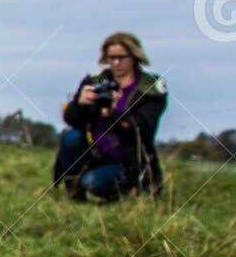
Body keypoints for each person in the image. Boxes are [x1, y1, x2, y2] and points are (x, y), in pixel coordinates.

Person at [53, 32, 167, 201]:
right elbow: (71, 119)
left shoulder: (150, 88)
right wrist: (79, 103)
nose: (115, 63)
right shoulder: (96, 81)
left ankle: (131, 191)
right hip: (96, 153)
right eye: (111, 57)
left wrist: (113, 113)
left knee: (93, 182)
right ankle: (74, 193)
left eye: (121, 57)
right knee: (71, 137)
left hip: (128, 161)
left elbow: (143, 128)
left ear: (135, 57)